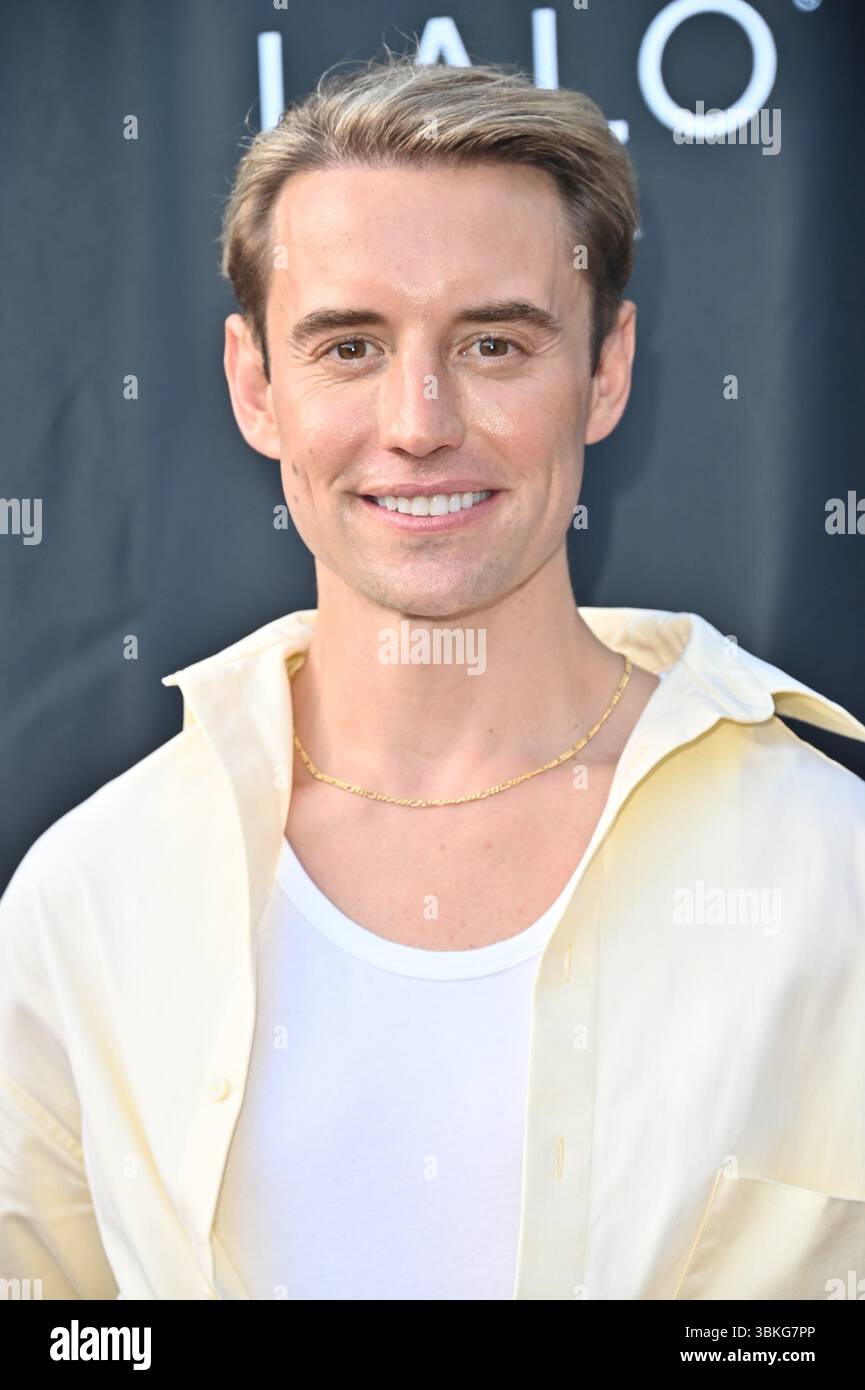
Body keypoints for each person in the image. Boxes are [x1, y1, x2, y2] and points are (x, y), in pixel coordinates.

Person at [2, 51, 865, 1304]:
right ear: (257, 386)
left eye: (496, 345)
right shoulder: (89, 900)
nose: (419, 419)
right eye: (349, 346)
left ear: (605, 370)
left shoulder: (832, 874)